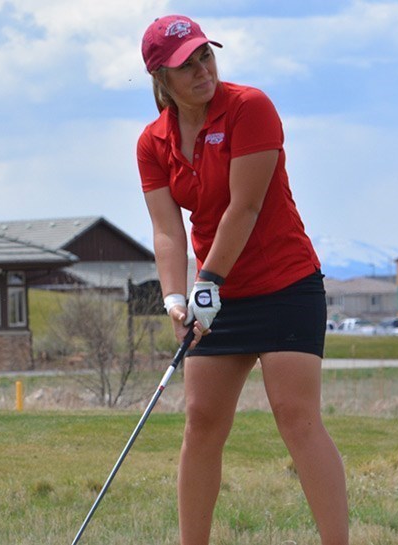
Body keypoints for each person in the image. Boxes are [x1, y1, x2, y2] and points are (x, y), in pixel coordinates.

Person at [136, 14, 350, 545]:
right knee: (202, 421)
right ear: (161, 77)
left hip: (284, 284)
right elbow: (167, 230)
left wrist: (207, 281)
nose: (202, 70)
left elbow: (245, 207)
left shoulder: (250, 107)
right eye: (187, 65)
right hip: (217, 296)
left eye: (206, 55)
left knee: (297, 418)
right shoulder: (152, 143)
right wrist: (175, 298)